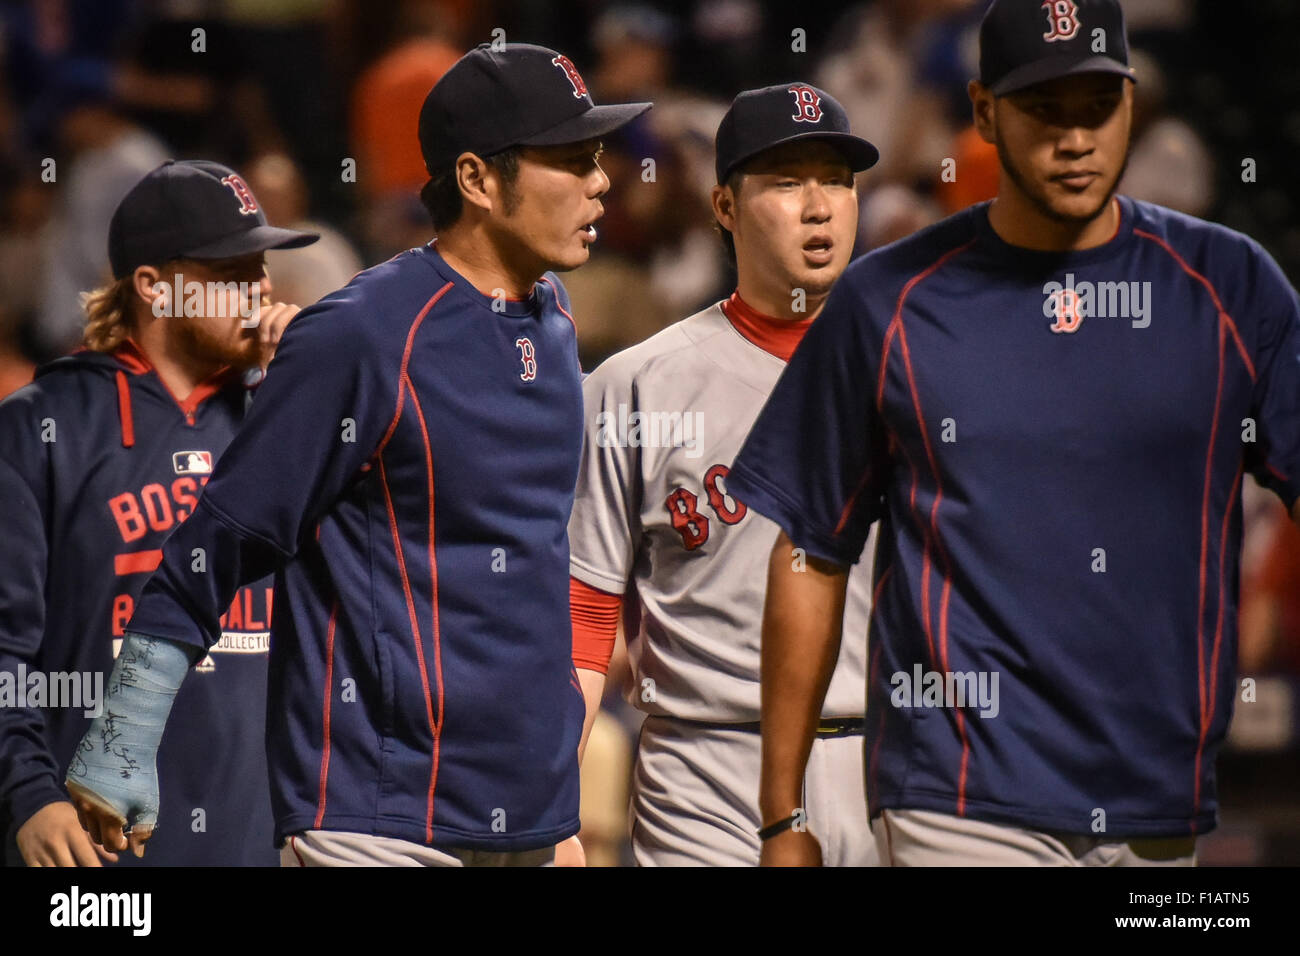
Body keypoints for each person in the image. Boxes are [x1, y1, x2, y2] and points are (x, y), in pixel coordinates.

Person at [726, 0, 1300, 866]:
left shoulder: (1228, 285)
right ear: (986, 111)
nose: (1076, 139)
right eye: (1044, 109)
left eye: (1097, 108)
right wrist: (781, 815)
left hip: (1159, 801)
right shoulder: (888, 301)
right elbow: (812, 549)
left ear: (1134, 105)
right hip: (959, 796)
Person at [64, 42, 650, 868]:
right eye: (570, 159)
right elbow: (221, 537)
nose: (601, 181)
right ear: (478, 180)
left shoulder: (552, 322)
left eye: (598, 156)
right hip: (381, 819)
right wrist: (129, 719)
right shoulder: (362, 334)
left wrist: (554, 807)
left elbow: (536, 558)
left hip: (529, 817)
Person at [568, 83, 879, 866]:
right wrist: (557, 808)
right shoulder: (636, 386)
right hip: (708, 773)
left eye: (836, 180)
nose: (818, 206)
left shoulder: (920, 373)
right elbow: (583, 616)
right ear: (725, 207)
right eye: (785, 181)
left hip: (891, 764)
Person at [0, 159, 317, 866]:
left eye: (260, 267)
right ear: (154, 286)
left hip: (261, 843)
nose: (260, 287)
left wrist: (301, 394)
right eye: (231, 271)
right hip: (95, 854)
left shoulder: (287, 423)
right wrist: (29, 793)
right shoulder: (39, 429)